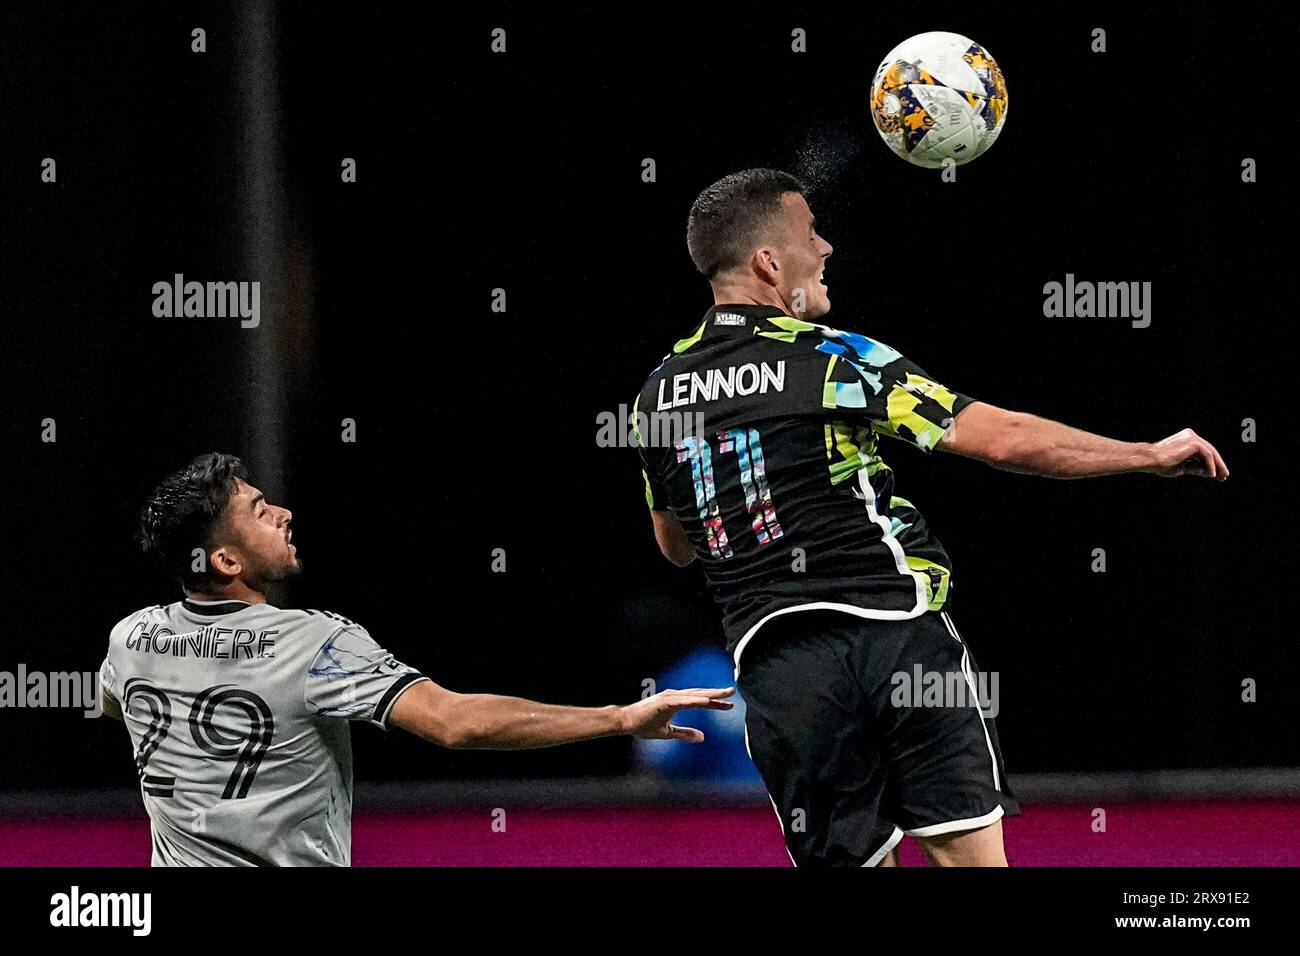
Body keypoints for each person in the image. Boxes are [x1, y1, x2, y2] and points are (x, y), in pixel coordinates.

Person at [633, 168, 1228, 867]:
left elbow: (674, 545)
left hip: (782, 673)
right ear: (769, 262)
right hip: (897, 639)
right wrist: (1144, 455)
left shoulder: (656, 398)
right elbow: (1002, 439)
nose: (826, 248)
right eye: (811, 235)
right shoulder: (834, 359)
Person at [100, 452, 734, 866]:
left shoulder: (131, 641)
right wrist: (621, 719)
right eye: (261, 513)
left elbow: (111, 701)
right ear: (226, 562)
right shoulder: (312, 642)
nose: (285, 514)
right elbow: (457, 722)